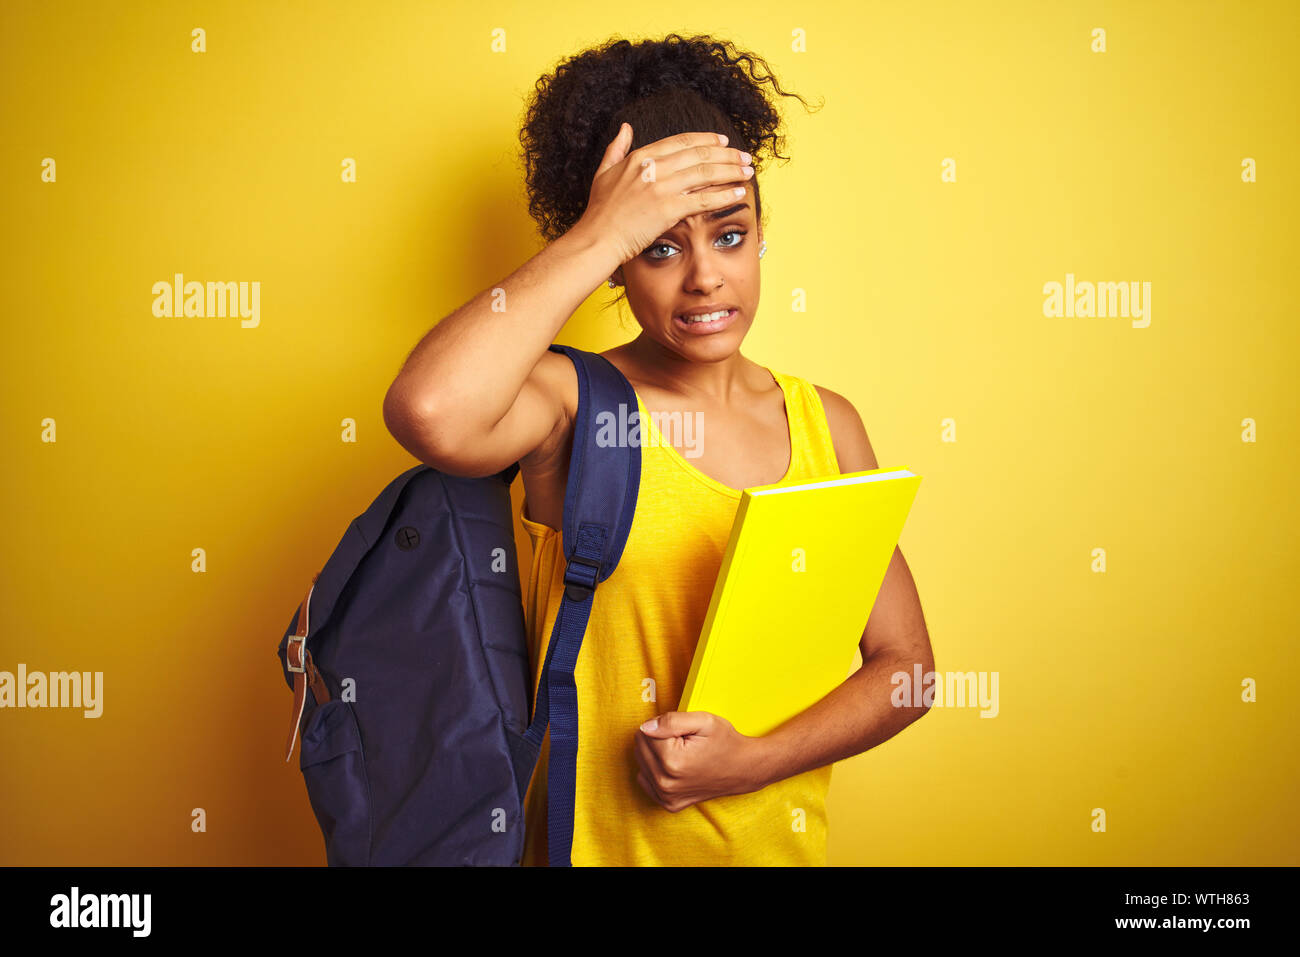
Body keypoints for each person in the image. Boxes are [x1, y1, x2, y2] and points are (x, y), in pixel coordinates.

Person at [383, 33, 934, 866]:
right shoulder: (573, 405)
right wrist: (600, 231)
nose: (705, 277)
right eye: (660, 247)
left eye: (731, 234)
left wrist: (750, 763)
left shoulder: (828, 422)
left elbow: (906, 670)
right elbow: (428, 411)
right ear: (617, 265)